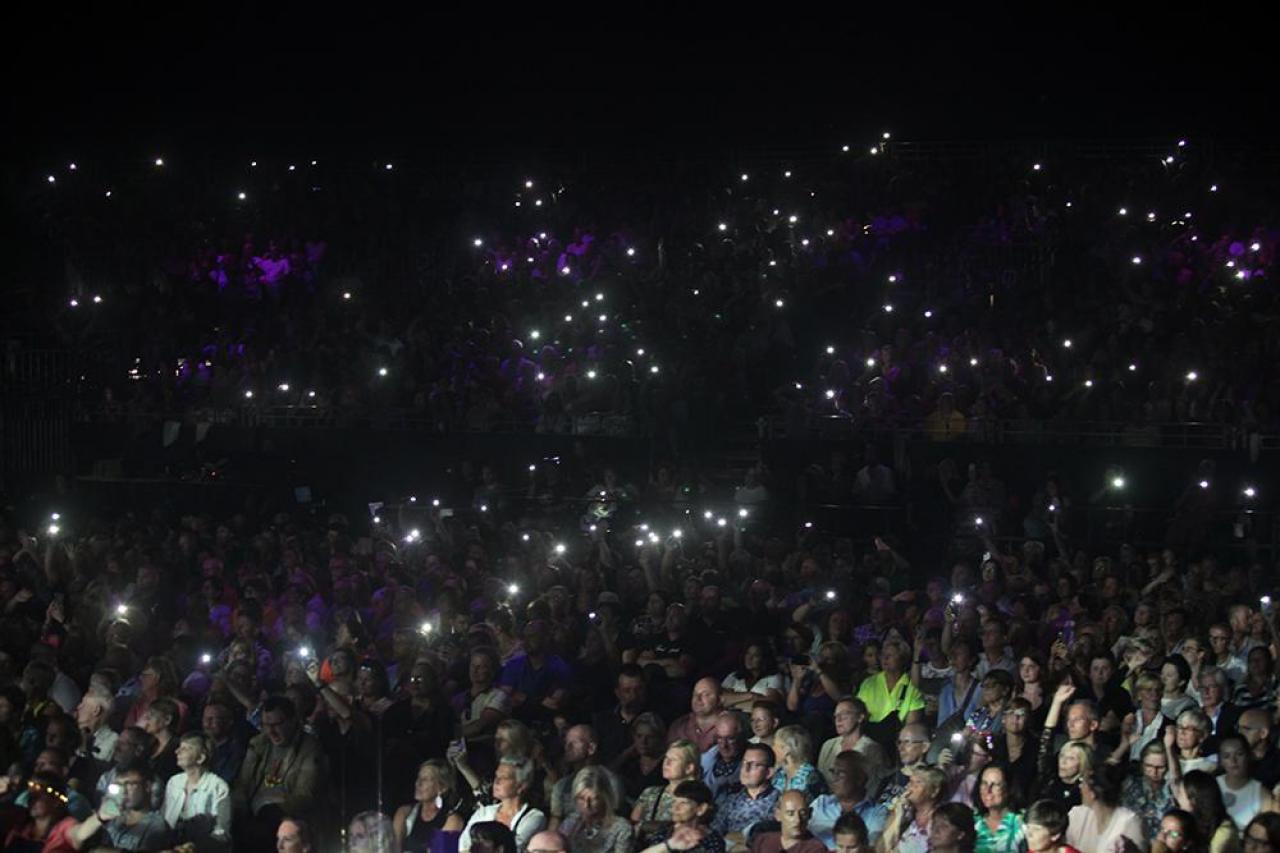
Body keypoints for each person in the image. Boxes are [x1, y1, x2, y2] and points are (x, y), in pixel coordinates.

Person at [231, 696, 328, 849]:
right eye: (266, 725)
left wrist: (274, 808)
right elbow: (243, 784)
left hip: (287, 818)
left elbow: (305, 795)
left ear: (293, 721)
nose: (271, 731)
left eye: (277, 724)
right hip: (252, 815)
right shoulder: (258, 743)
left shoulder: (309, 748)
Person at [72, 760, 175, 850]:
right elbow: (78, 837)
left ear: (147, 786)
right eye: (119, 785)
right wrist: (100, 817)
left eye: (129, 784)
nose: (124, 791)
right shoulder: (113, 814)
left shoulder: (156, 825)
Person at [459, 756, 547, 853]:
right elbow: (464, 844)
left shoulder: (534, 817)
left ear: (521, 786)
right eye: (496, 776)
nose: (496, 781)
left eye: (504, 777)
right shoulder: (484, 812)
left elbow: (514, 847)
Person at [161, 731, 231, 851]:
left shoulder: (218, 787)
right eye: (179, 747)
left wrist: (195, 847)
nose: (177, 751)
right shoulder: (174, 782)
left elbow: (222, 833)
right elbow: (163, 820)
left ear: (200, 758)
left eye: (185, 749)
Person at [808, 750, 886, 848]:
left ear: (860, 779)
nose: (834, 778)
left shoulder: (877, 813)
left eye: (841, 773)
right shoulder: (820, 804)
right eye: (833, 772)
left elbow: (874, 848)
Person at [547, 724, 620, 829]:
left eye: (575, 742)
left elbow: (613, 821)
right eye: (566, 742)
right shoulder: (561, 786)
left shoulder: (610, 782)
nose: (568, 747)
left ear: (591, 748)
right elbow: (555, 820)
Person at [711, 741, 781, 842]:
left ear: (769, 772)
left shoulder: (779, 802)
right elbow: (715, 833)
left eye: (753, 765)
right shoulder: (731, 800)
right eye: (744, 763)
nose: (746, 769)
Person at [1065, 767, 1144, 853]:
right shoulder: (1077, 815)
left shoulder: (1129, 823)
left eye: (1083, 783)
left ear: (1092, 793)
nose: (1080, 787)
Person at [393, 759, 465, 853]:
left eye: (425, 779)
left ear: (442, 788)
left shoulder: (452, 820)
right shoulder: (404, 813)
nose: (418, 783)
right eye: (418, 778)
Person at [818, 698, 888, 792]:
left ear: (860, 717)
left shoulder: (873, 749)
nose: (838, 719)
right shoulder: (828, 745)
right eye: (836, 716)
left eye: (844, 714)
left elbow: (874, 785)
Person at [635, 780, 724, 853]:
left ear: (701, 808)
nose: (675, 807)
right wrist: (669, 845)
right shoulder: (663, 831)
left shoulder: (712, 841)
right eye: (674, 802)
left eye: (683, 803)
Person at [559, 766, 633, 853]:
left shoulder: (621, 828)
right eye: (581, 798)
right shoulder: (571, 822)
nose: (587, 805)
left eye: (594, 799)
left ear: (604, 798)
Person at [877, 765, 946, 853]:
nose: (909, 786)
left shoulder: (942, 820)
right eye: (910, 781)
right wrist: (897, 817)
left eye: (918, 782)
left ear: (935, 791)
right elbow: (880, 850)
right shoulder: (904, 813)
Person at [631, 739, 701, 826]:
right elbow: (633, 825)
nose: (666, 763)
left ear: (689, 768)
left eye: (673, 759)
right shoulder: (650, 793)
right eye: (666, 758)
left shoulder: (698, 798)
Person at [3, 772, 78, 851]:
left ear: (56, 801)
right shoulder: (20, 820)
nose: (31, 800)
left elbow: (79, 835)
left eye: (37, 796)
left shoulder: (64, 826)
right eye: (30, 795)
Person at [1176, 769, 1241, 853]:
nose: (1177, 798)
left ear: (1193, 800)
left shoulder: (1223, 832)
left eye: (1180, 794)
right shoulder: (1190, 822)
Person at [1121, 740, 1175, 841]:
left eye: (1160, 767)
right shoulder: (1130, 786)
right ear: (1142, 765)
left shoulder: (1173, 791)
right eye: (1149, 766)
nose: (1154, 772)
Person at [1217, 734, 1274, 829]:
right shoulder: (1212, 785)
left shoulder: (1262, 794)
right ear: (1221, 761)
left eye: (1239, 754)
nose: (1233, 760)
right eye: (1226, 756)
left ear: (1249, 756)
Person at [748, 790, 827, 853]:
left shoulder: (816, 849)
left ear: (810, 814)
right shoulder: (762, 841)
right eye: (790, 814)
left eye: (803, 814)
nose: (797, 820)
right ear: (778, 815)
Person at [971, 764, 1022, 853]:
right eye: (984, 783)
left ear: (1009, 789)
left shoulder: (1023, 821)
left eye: (995, 785)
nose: (988, 790)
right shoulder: (972, 821)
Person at [667, 677, 724, 753]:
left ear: (720, 699)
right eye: (695, 694)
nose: (698, 698)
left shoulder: (729, 724)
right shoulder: (679, 726)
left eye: (706, 694)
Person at [722, 643, 785, 709]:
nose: (749, 658)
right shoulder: (734, 676)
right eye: (748, 653)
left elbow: (771, 701)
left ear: (764, 659)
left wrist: (734, 701)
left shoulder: (773, 677)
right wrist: (751, 696)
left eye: (755, 655)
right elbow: (722, 699)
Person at [700, 711, 748, 799]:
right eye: (719, 738)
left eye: (730, 739)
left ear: (741, 737)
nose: (723, 745)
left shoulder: (753, 761)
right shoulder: (707, 760)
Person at [771, 724, 826, 798]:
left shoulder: (811, 777)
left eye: (774, 744)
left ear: (786, 749)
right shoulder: (779, 774)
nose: (772, 748)